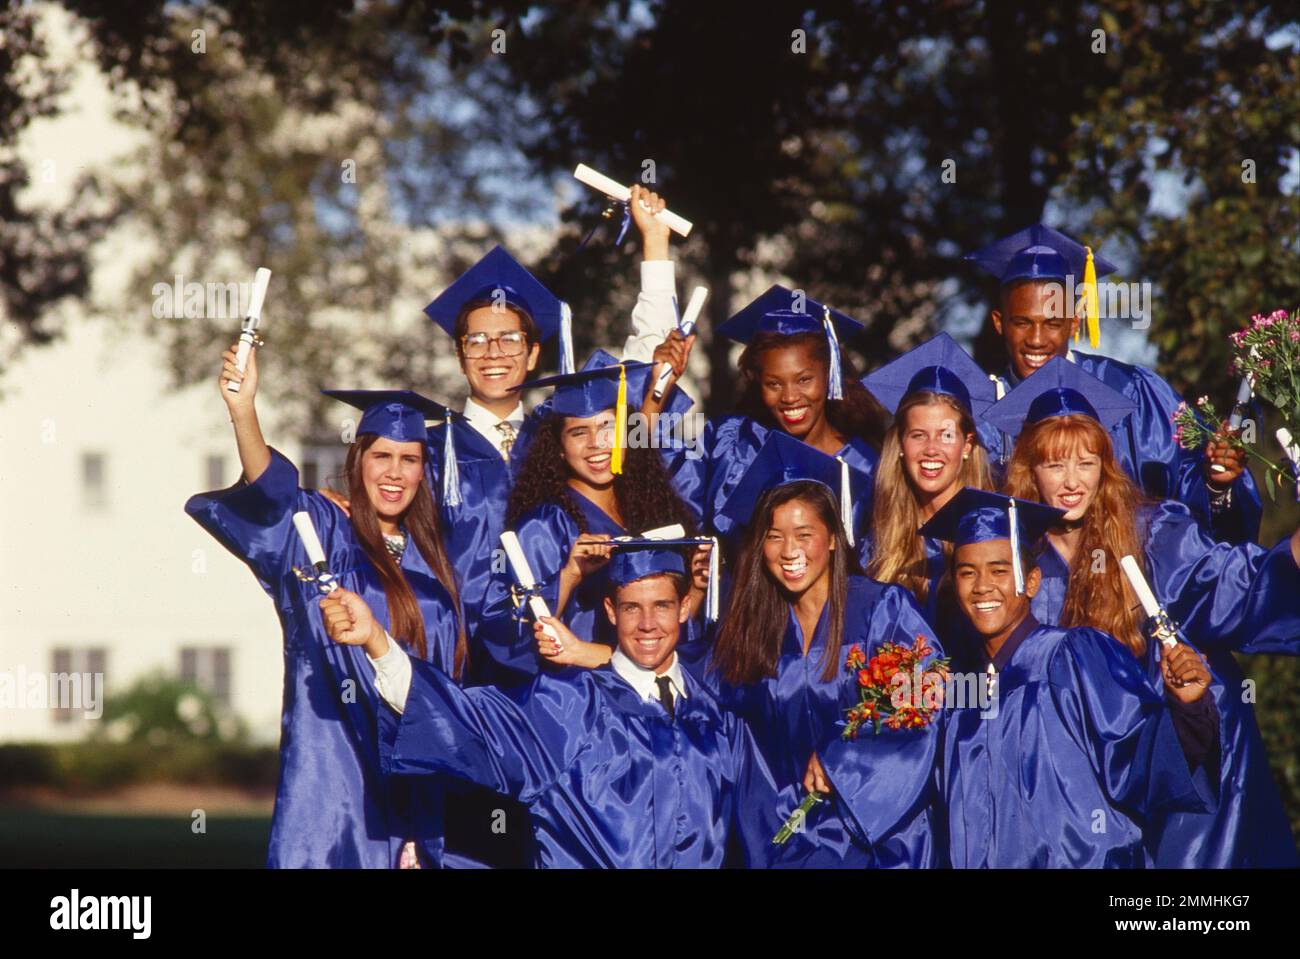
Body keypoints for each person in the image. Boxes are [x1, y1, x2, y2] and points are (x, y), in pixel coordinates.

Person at [989, 360, 1300, 866]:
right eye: (1054, 465)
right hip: (1094, 764)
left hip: (1186, 751)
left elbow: (1236, 584)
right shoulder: (1017, 557)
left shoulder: (1154, 532)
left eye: (1086, 463)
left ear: (1105, 466)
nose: (1072, 482)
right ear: (1028, 470)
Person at [319, 544, 789, 868]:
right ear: (609, 612)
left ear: (685, 607)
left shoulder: (718, 722)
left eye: (662, 606)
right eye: (631, 608)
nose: (648, 623)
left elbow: (773, 832)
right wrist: (378, 642)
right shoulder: (568, 705)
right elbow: (468, 726)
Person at [185, 344, 465, 868]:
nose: (395, 473)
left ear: (424, 471)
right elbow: (271, 494)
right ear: (358, 461)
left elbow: (442, 705)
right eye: (381, 455)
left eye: (409, 460)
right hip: (329, 782)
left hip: (412, 801)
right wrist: (244, 410)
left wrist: (420, 831)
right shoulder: (319, 529)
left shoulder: (436, 564)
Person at [395, 187, 684, 644]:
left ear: (533, 355)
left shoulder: (562, 433)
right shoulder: (428, 453)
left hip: (563, 654)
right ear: (458, 354)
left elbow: (644, 370)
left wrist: (654, 244)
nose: (493, 352)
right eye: (477, 341)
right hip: (458, 660)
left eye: (509, 339)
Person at [919, 489, 1213, 868]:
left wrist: (1187, 708)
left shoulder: (1075, 656)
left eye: (1000, 570)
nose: (981, 586)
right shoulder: (962, 691)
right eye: (966, 572)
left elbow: (1141, 758)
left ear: (1033, 580)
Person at [707, 434, 945, 868]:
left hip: (882, 842)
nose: (790, 551)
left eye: (804, 534)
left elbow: (926, 703)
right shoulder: (750, 626)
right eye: (774, 536)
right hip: (787, 838)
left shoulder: (880, 609)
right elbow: (731, 733)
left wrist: (843, 759)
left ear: (834, 538)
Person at [966, 223, 1260, 544]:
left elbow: (1187, 485)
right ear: (999, 323)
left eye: (1052, 323)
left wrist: (1216, 484)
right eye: (1022, 323)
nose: (1036, 340)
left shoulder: (1131, 390)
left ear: (1074, 322)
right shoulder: (980, 413)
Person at [478, 353, 701, 684]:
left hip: (643, 695)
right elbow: (505, 638)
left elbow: (672, 635)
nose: (596, 444)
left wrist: (697, 585)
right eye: (579, 432)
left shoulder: (647, 509)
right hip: (576, 700)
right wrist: (569, 575)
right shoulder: (544, 526)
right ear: (559, 447)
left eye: (607, 427)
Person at [667, 285, 883, 549]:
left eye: (804, 379)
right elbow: (665, 480)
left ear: (829, 376)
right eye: (774, 384)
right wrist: (659, 386)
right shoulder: (731, 442)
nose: (790, 397)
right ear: (757, 382)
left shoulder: (865, 466)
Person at [860, 332, 996, 624]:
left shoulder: (997, 530)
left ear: (967, 445)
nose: (931, 450)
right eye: (918, 435)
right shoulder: (878, 540)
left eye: (946, 435)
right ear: (900, 444)